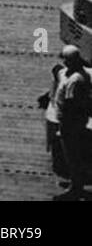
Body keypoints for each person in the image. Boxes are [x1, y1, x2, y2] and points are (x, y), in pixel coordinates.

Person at [52, 45, 91, 199]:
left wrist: (65, 122)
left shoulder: (75, 81)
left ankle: (76, 188)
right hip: (69, 122)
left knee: (73, 155)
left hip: (71, 124)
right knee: (72, 154)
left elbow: (72, 102)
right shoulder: (70, 73)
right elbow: (60, 73)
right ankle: (76, 183)